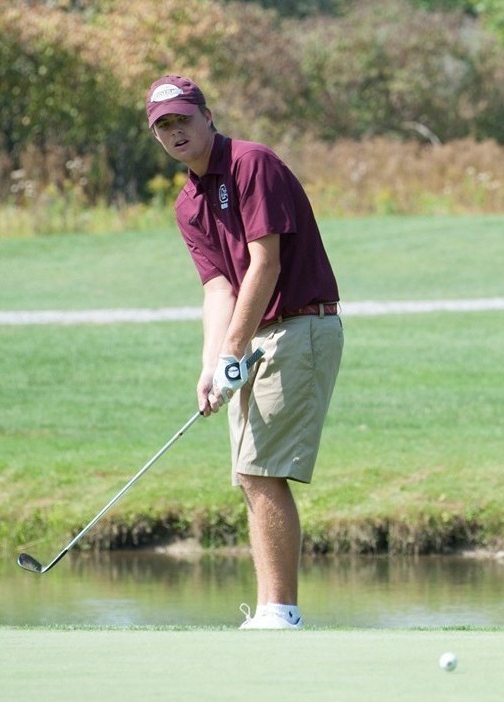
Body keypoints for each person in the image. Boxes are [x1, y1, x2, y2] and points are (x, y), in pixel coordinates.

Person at [145, 75, 343, 630]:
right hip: (254, 335)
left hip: (300, 325)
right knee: (249, 472)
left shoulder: (252, 164)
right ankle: (272, 611)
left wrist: (234, 348)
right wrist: (212, 365)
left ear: (207, 116)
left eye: (182, 118)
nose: (175, 131)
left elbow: (266, 264)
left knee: (260, 470)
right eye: (163, 126)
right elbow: (218, 290)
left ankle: (279, 612)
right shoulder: (189, 204)